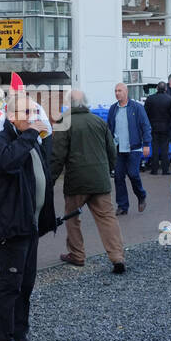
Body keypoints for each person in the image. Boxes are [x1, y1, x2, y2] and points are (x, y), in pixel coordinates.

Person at [0, 91, 56, 341]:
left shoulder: (32, 141)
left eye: (35, 112)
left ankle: (20, 336)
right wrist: (30, 136)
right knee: (9, 286)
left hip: (30, 225)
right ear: (12, 116)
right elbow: (7, 161)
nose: (34, 118)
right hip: (12, 227)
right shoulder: (0, 142)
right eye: (28, 113)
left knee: (25, 285)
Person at [50, 89, 127, 273]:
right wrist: (106, 169)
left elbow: (57, 156)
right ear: (86, 102)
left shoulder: (64, 122)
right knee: (107, 219)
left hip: (76, 180)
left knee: (72, 218)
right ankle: (117, 257)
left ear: (69, 103)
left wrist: (50, 180)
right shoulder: (99, 121)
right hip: (100, 180)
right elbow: (111, 150)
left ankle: (77, 254)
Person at [106, 82, 151, 215]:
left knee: (133, 174)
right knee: (118, 177)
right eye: (115, 91)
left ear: (126, 92)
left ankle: (141, 195)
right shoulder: (113, 109)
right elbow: (109, 128)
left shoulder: (136, 108)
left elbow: (145, 126)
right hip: (118, 148)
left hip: (134, 148)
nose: (117, 93)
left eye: (119, 90)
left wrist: (147, 144)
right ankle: (122, 205)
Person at [144, 81, 171, 175]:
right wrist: (170, 124)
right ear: (165, 88)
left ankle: (154, 169)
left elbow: (145, 113)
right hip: (165, 126)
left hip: (153, 126)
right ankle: (165, 170)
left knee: (155, 148)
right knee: (165, 148)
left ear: (157, 88)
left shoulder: (150, 99)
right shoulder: (169, 99)